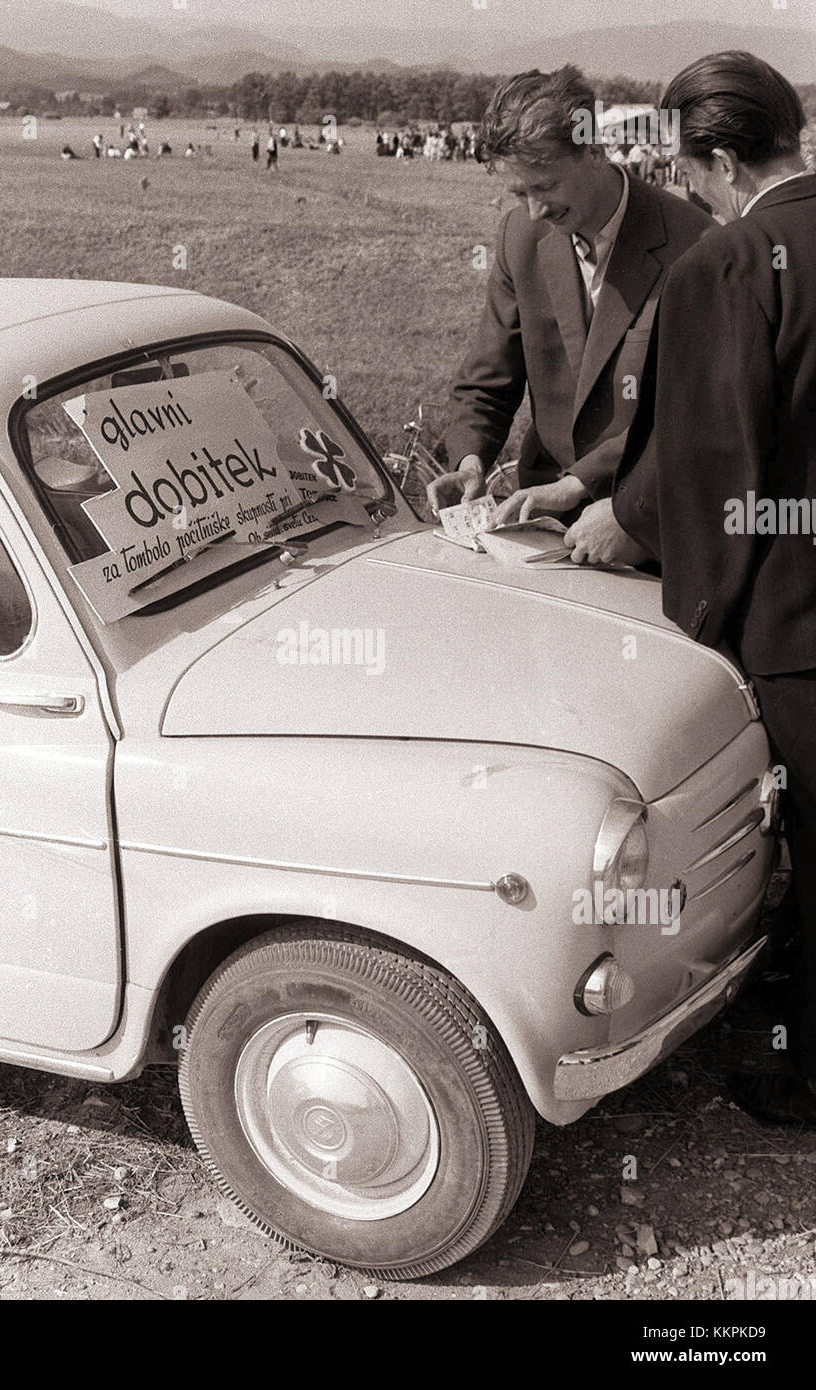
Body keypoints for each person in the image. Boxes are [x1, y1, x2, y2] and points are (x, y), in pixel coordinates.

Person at [590, 52, 816, 1123]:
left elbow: (710, 464)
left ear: (720, 160)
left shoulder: (731, 266)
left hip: (792, 618)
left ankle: (796, 1066)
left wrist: (625, 531)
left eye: (693, 177)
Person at [427, 66, 710, 530]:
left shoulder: (696, 245)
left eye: (545, 186)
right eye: (519, 192)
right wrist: (471, 458)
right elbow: (489, 378)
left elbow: (693, 411)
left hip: (649, 519)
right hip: (542, 512)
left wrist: (580, 484)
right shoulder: (519, 236)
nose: (535, 210)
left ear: (594, 150)